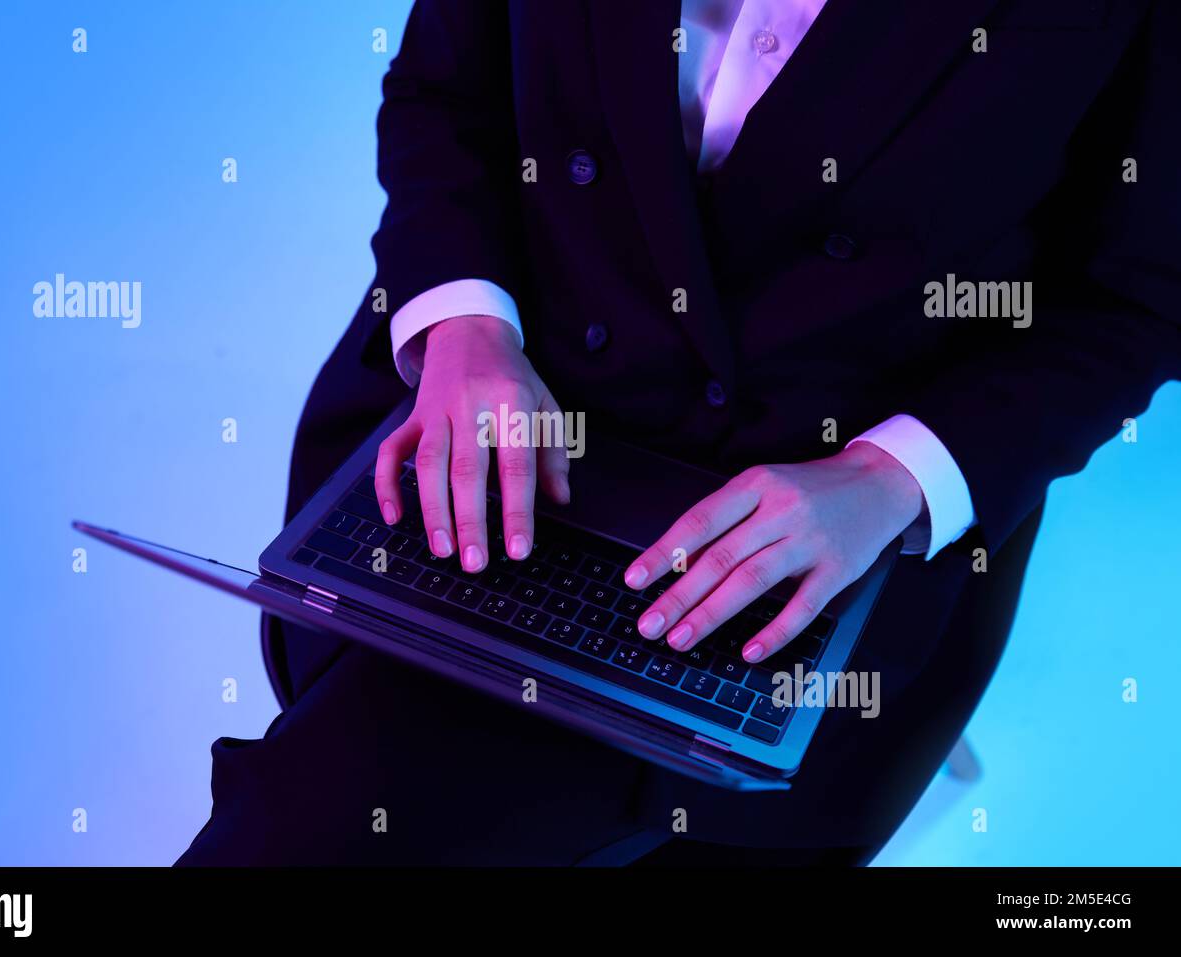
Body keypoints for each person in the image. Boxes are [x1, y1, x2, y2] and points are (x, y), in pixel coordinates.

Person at [178, 0, 1180, 865]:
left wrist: (892, 479)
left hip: (820, 543)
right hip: (489, 440)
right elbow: (448, 89)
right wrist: (465, 327)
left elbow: (1141, 297)